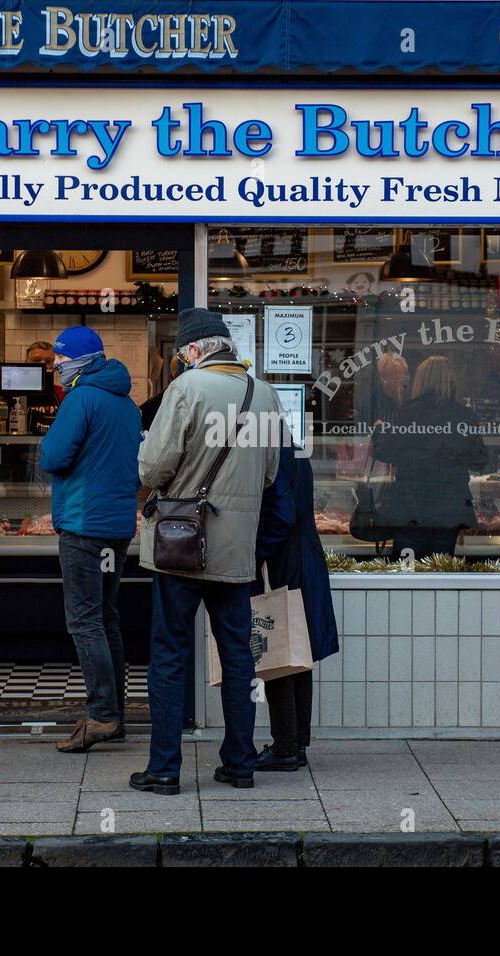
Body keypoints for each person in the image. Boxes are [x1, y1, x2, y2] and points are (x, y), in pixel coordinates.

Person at [133, 308, 285, 795]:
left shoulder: (186, 389)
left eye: (182, 356)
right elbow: (269, 474)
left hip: (181, 544)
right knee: (239, 657)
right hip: (236, 548)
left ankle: (164, 769)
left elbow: (154, 469)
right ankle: (239, 763)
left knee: (170, 653)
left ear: (194, 352)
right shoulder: (264, 394)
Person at [38, 326, 142, 753]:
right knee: (106, 618)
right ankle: (113, 713)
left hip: (84, 525)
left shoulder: (81, 398)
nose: (56, 366)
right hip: (116, 528)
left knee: (84, 620)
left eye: (60, 359)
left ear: (79, 360)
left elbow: (53, 457)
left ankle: (101, 716)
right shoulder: (126, 402)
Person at [252, 441, 340, 771]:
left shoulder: (272, 451)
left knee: (280, 653)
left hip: (286, 559)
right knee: (298, 654)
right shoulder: (292, 448)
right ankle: (297, 742)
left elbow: (279, 515)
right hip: (302, 555)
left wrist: (255, 553)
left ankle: (286, 745)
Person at [371, 355, 486, 560]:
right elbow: (480, 461)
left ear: (420, 380)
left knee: (407, 574)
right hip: (449, 510)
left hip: (410, 509)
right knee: (441, 571)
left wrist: (380, 432)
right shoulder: (464, 416)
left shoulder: (408, 413)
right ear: (451, 380)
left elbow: (386, 452)